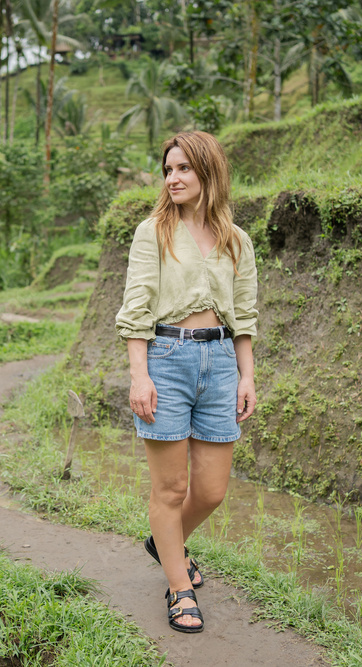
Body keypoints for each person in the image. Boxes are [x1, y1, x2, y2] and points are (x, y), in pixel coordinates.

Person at [114, 131, 257, 634]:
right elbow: (135, 310)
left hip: (219, 361)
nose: (173, 178)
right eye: (168, 170)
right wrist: (140, 376)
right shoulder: (151, 232)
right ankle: (178, 588)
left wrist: (247, 376)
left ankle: (164, 542)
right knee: (171, 488)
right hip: (167, 359)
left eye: (183, 169)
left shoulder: (237, 240)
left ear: (208, 172)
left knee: (213, 491)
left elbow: (244, 316)